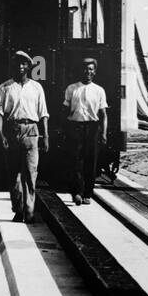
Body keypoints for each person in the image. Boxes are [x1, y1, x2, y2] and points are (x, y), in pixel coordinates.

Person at [0, 50, 49, 223]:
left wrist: (46, 136)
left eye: (24, 63)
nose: (20, 66)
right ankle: (18, 210)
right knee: (15, 175)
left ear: (29, 67)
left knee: (31, 173)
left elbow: (43, 114)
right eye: (18, 63)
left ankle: (30, 211)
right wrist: (2, 134)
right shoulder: (4, 87)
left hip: (32, 131)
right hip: (13, 130)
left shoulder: (36, 87)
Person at [63, 58, 108, 206]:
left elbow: (103, 115)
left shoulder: (99, 90)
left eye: (90, 69)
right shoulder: (71, 89)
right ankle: (77, 192)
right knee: (75, 161)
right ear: (81, 70)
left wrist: (103, 133)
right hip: (75, 127)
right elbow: (65, 110)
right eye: (85, 69)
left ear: (94, 72)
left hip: (92, 128)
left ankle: (88, 193)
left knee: (91, 161)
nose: (88, 72)